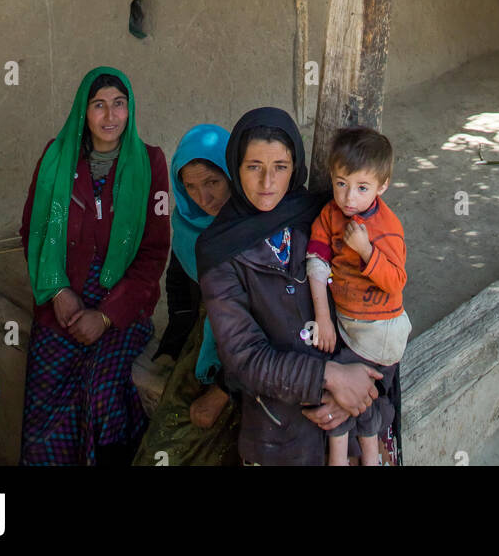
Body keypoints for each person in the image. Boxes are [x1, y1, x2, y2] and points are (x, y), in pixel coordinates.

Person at [196, 107, 383, 467]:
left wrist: (355, 388)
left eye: (280, 167)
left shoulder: (326, 218)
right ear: (236, 167)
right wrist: (330, 379)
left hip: (356, 418)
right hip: (278, 433)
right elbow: (244, 356)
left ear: (294, 167)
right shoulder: (219, 249)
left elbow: (379, 307)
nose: (267, 181)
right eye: (254, 166)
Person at [19, 65, 170, 466]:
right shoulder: (56, 158)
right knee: (45, 399)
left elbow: (154, 253)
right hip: (62, 307)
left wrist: (105, 317)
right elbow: (32, 231)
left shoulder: (150, 164)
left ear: (130, 110)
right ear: (83, 112)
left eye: (119, 105)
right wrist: (57, 291)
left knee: (103, 389)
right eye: (99, 105)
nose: (109, 116)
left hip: (121, 309)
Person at [133, 123, 240, 466]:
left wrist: (223, 391)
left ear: (232, 173)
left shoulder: (254, 229)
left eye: (212, 182)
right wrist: (177, 341)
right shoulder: (186, 226)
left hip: (246, 356)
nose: (204, 199)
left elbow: (266, 318)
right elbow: (179, 284)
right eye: (190, 187)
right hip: (207, 341)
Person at [307, 126, 410, 466]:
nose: (349, 197)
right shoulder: (329, 215)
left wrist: (367, 252)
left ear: (382, 186)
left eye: (362, 187)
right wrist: (323, 317)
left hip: (379, 330)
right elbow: (317, 261)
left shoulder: (387, 228)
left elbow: (396, 281)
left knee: (346, 393)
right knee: (359, 396)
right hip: (349, 325)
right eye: (341, 183)